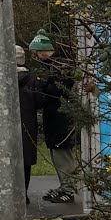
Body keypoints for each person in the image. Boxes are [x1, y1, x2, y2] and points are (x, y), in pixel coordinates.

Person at [31, 30, 78, 203]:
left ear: (43, 50)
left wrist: (42, 87)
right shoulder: (53, 66)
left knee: (62, 154)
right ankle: (64, 186)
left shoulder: (60, 67)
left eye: (36, 52)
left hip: (61, 118)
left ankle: (69, 188)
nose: (35, 56)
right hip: (55, 118)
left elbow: (57, 91)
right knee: (57, 154)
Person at [16, 45, 40, 204]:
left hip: (8, 125)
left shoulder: (2, 78)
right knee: (25, 160)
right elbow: (39, 101)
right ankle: (23, 193)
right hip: (28, 123)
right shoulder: (32, 79)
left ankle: (11, 192)